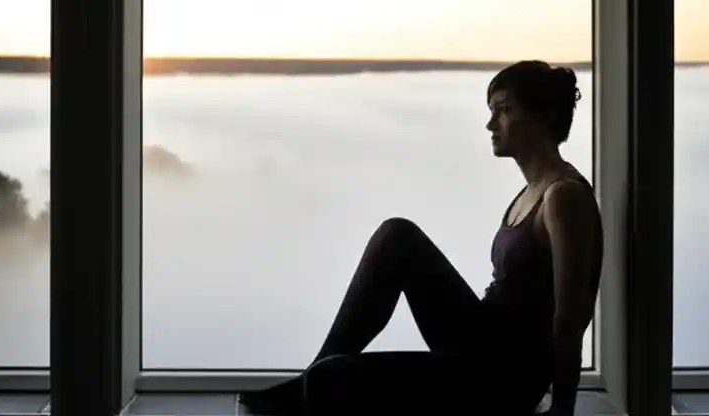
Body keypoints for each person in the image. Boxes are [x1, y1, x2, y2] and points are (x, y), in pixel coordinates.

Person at [239, 60, 603, 416]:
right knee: (397, 236)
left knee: (328, 381)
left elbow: (570, 316)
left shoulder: (562, 197)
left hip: (504, 377)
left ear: (545, 118)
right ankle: (304, 384)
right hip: (484, 344)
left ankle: (304, 386)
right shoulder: (531, 192)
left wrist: (562, 406)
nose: (491, 124)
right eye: (493, 111)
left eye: (504, 111)